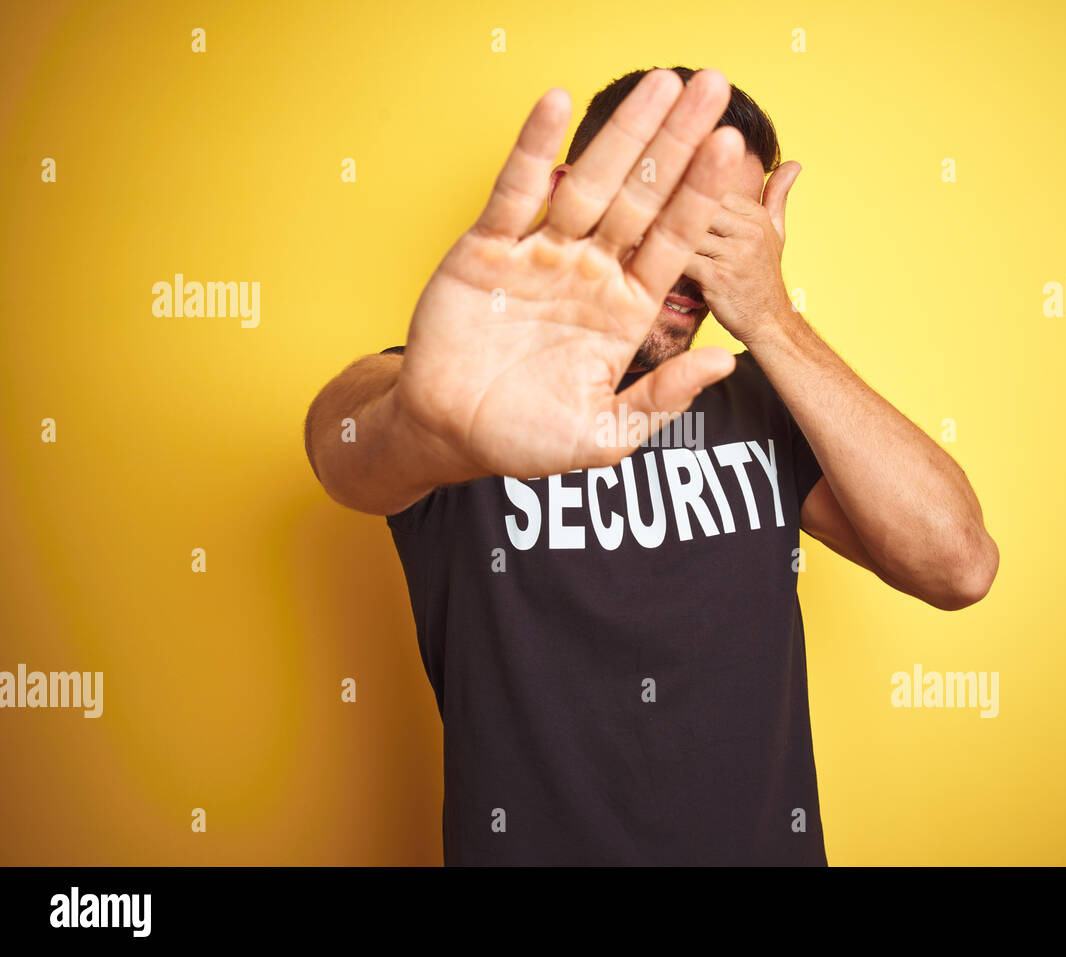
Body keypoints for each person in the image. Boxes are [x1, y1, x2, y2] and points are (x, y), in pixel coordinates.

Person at [304, 66, 999, 865]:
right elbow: (339, 448)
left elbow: (958, 563)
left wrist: (771, 318)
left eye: (728, 229)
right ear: (579, 192)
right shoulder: (464, 395)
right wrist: (417, 418)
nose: (697, 255)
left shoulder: (762, 401)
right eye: (674, 209)